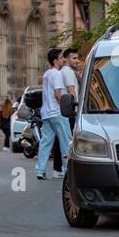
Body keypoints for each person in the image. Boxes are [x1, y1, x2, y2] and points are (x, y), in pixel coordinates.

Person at [36, 47, 71, 181]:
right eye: (61, 58)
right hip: (57, 111)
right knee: (66, 141)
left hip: (46, 113)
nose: (63, 60)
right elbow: (57, 94)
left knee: (46, 142)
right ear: (55, 60)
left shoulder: (46, 74)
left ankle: (40, 170)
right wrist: (65, 105)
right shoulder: (57, 74)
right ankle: (68, 169)